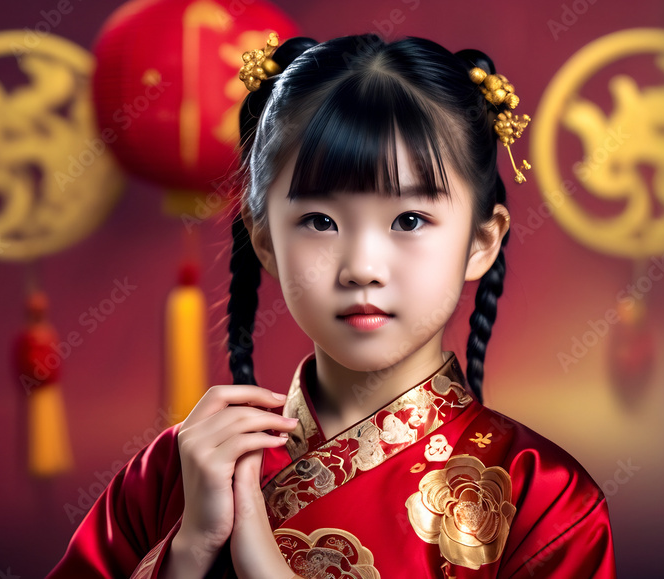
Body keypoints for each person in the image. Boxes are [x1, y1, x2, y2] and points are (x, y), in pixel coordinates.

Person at [49, 32, 616, 578]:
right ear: (265, 238)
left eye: (410, 220)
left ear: (481, 242)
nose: (363, 268)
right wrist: (189, 548)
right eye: (320, 221)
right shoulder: (179, 466)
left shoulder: (546, 498)